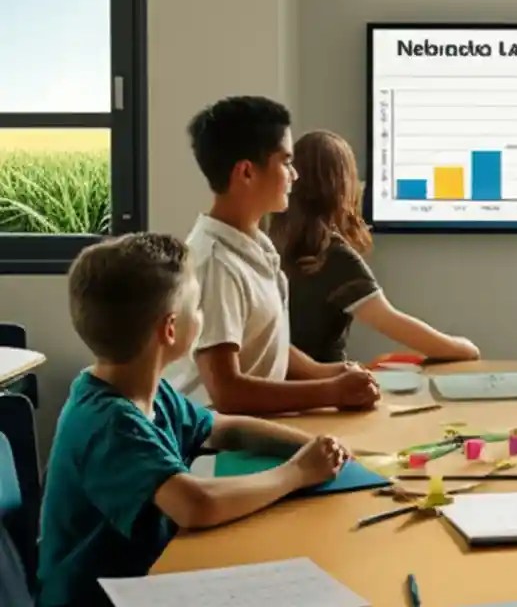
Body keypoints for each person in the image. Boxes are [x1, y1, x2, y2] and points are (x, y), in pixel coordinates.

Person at [37, 234, 352, 607]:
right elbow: (195, 503)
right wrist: (296, 473)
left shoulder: (147, 389)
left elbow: (223, 427)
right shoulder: (108, 422)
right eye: (198, 307)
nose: (202, 315)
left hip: (145, 580)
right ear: (170, 330)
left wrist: (306, 446)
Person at [165, 96, 380, 414]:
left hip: (256, 429)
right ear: (247, 172)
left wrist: (329, 373)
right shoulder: (215, 262)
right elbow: (227, 392)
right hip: (217, 448)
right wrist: (330, 392)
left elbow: (264, 341)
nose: (294, 175)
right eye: (286, 162)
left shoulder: (255, 244)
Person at [268, 130, 480, 364]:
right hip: (323, 389)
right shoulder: (332, 256)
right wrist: (462, 347)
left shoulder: (271, 243)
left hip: (282, 386)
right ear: (341, 186)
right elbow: (391, 322)